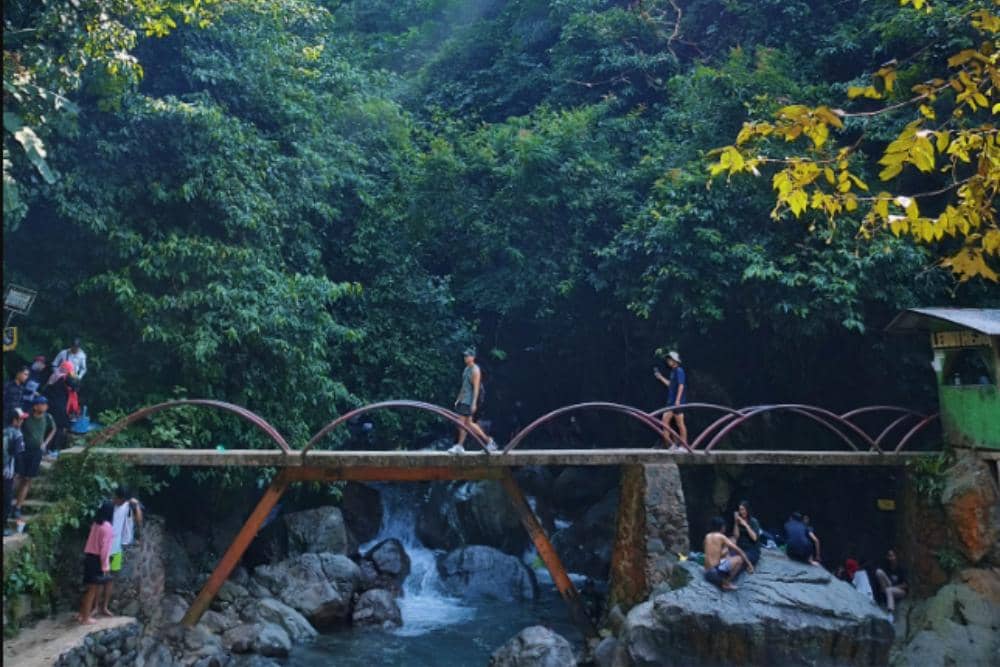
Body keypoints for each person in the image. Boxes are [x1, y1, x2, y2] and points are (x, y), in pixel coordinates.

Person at [94, 487, 143, 617]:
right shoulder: (106, 505)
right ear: (116, 497)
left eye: (123, 501)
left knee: (110, 578)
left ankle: (104, 607)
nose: (121, 503)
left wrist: (136, 505)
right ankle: (95, 607)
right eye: (120, 500)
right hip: (104, 546)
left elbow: (139, 521)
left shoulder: (128, 506)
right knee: (100, 577)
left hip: (117, 547)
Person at [448, 348, 498, 453]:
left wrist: (474, 403)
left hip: (469, 401)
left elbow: (476, 388)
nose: (465, 358)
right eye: (465, 356)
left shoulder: (475, 370)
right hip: (464, 400)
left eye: (468, 356)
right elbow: (464, 386)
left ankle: (460, 446)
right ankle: (489, 441)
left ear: (473, 357)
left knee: (462, 423)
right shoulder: (466, 369)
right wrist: (458, 399)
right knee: (468, 424)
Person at [15, 396, 56, 518]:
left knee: (28, 479)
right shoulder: (27, 416)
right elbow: (17, 427)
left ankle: (18, 506)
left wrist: (45, 443)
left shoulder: (48, 418)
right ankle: (9, 501)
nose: (45, 406)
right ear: (35, 406)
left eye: (45, 404)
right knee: (17, 476)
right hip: (23, 450)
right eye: (42, 404)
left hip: (36, 452)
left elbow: (54, 429)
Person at [79, 501, 115, 625]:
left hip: (89, 556)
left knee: (88, 588)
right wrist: (105, 565)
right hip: (96, 559)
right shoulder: (107, 528)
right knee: (92, 590)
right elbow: (105, 549)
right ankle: (86, 618)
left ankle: (82, 614)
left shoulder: (96, 524)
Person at [704, 516, 754, 591]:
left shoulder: (707, 536)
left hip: (707, 573)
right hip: (715, 573)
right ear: (721, 527)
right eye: (724, 526)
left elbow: (712, 554)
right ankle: (726, 583)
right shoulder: (721, 537)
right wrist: (749, 564)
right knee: (739, 559)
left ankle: (723, 581)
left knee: (727, 555)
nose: (725, 527)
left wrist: (725, 552)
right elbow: (739, 550)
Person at [44, 360, 80, 458]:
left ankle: (46, 448)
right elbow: (76, 385)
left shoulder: (54, 376)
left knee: (49, 427)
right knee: (58, 428)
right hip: (59, 408)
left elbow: (46, 390)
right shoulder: (64, 378)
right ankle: (52, 449)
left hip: (49, 406)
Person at [653, 351, 687, 448]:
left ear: (675, 360)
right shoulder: (673, 372)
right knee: (665, 421)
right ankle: (672, 444)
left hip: (676, 402)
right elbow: (670, 385)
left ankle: (683, 445)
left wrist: (678, 400)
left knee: (680, 424)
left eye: (670, 359)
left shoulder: (679, 370)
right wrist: (660, 377)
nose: (668, 361)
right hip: (671, 402)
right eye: (668, 359)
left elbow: (681, 386)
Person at [3, 408, 28, 536]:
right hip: (7, 472)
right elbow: (19, 454)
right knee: (6, 500)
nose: (22, 421)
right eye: (21, 419)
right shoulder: (17, 434)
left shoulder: (4, 431)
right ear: (15, 420)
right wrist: (20, 471)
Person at [875, 548, 908, 621]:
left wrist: (894, 587)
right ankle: (883, 599)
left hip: (900, 591)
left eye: (893, 556)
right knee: (878, 572)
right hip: (888, 587)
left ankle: (890, 615)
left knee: (889, 590)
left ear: (896, 557)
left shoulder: (901, 568)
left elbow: (905, 585)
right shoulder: (887, 566)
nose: (891, 558)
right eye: (889, 556)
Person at [731, 499, 762, 566]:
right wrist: (736, 522)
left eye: (743, 509)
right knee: (728, 557)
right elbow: (736, 536)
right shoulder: (738, 521)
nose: (741, 512)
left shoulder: (753, 521)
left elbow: (754, 538)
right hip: (741, 548)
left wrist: (745, 525)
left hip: (752, 550)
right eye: (740, 510)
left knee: (739, 560)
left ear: (747, 510)